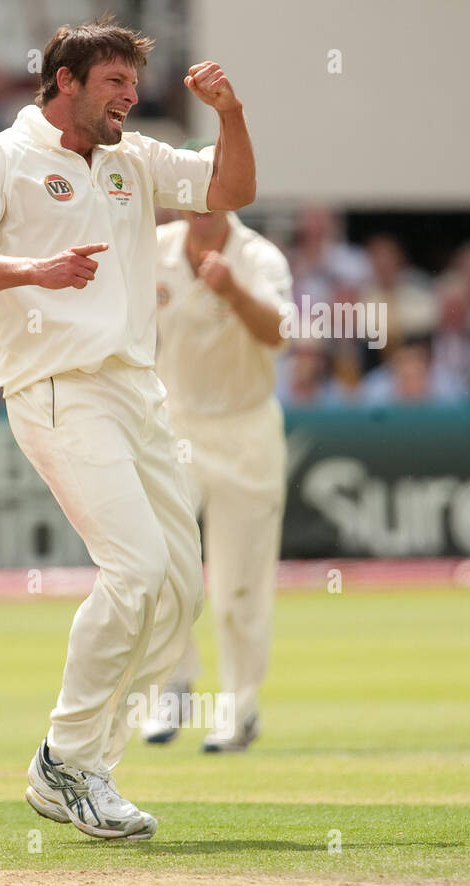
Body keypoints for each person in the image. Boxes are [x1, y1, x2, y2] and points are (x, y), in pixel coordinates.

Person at [0, 17, 255, 840]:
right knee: (137, 568)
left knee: (178, 589)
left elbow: (231, 192)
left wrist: (233, 115)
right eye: (114, 83)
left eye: (133, 86)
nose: (130, 99)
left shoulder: (132, 159)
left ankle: (83, 765)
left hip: (136, 392)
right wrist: (31, 269)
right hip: (56, 388)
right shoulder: (3, 160)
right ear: (65, 81)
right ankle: (68, 760)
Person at [140, 207, 292, 751]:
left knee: (239, 588)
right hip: (173, 423)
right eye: (192, 197)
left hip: (245, 428)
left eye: (213, 197)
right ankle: (171, 684)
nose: (201, 211)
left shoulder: (257, 256)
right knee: (156, 562)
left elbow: (280, 333)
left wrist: (233, 292)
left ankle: (238, 711)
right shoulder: (152, 245)